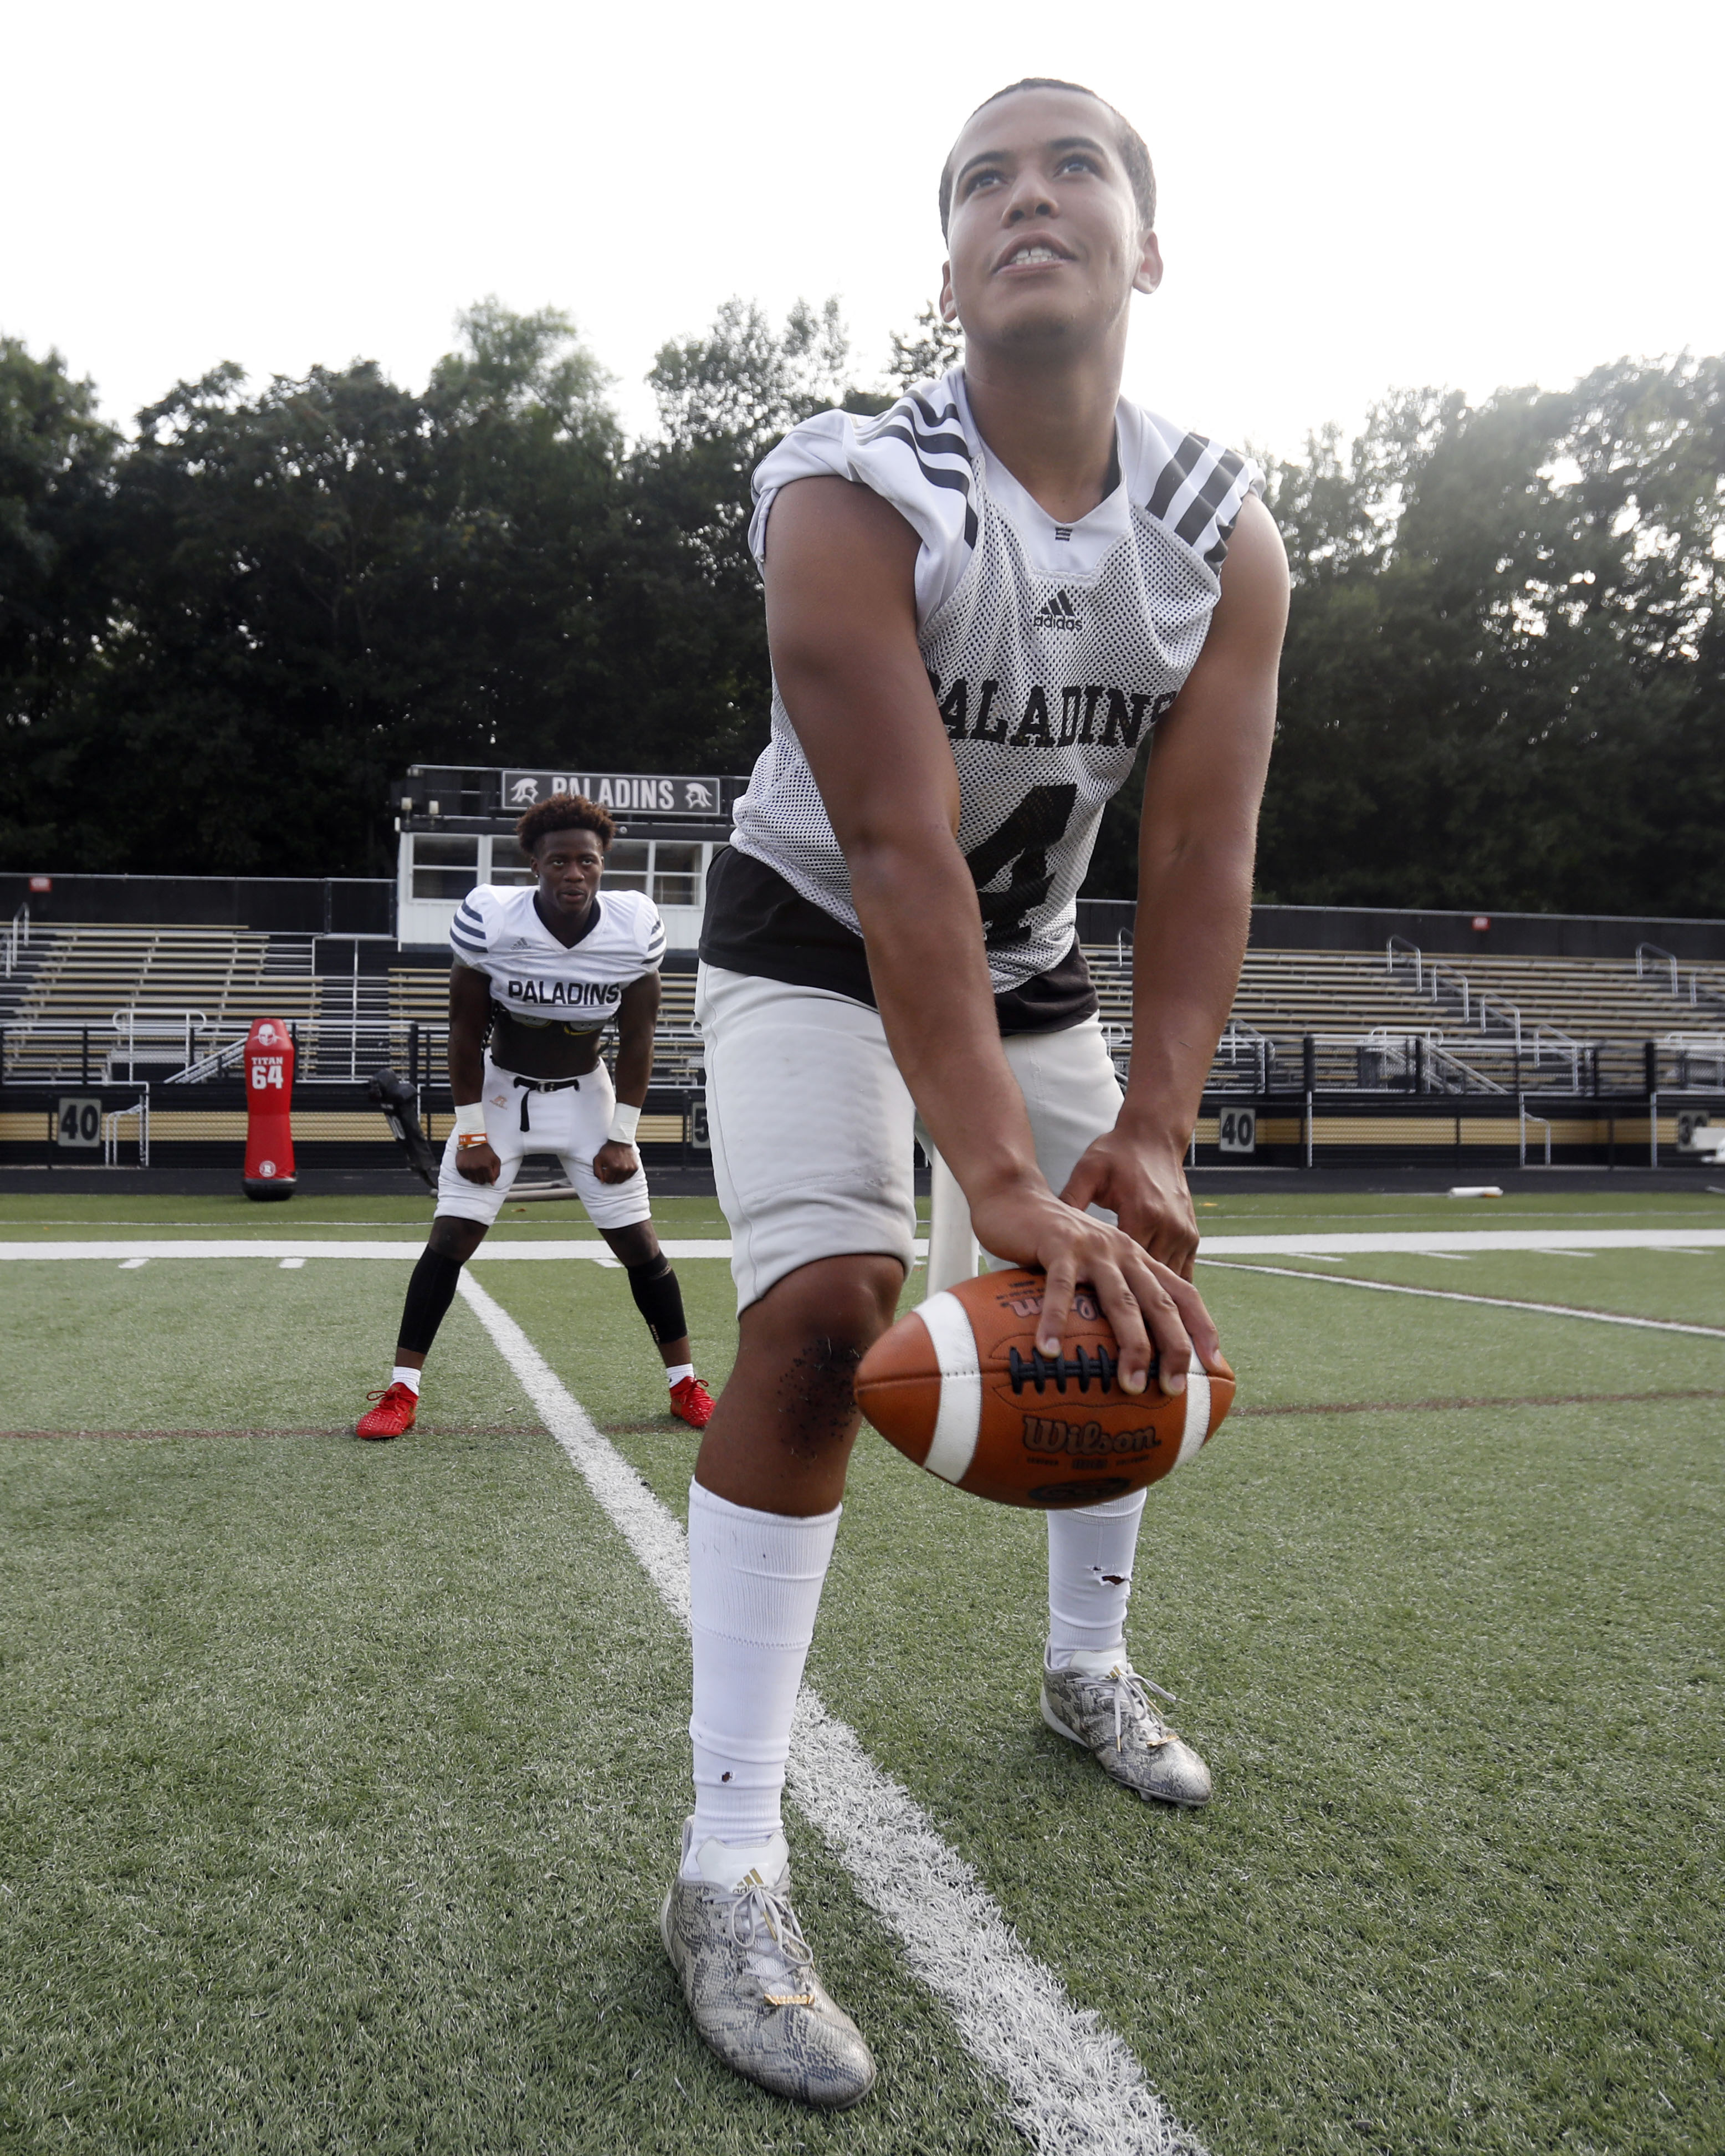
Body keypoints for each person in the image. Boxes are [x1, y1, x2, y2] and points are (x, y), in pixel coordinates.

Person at [658, 78, 1291, 2107]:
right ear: (948, 266)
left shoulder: (1223, 533)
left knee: (1123, 1274)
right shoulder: (848, 487)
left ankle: (1086, 1662)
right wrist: (1004, 1170)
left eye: (1073, 165)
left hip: (1027, 964)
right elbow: (898, 845)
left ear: (1147, 244)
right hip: (808, 931)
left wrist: (1150, 1134)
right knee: (823, 1314)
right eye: (982, 182)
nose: (1028, 197)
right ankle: (729, 1860)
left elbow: (1200, 856)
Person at [354, 794, 715, 1440]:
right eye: (559, 861)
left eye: (587, 861)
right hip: (499, 1095)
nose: (574, 873)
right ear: (534, 865)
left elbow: (639, 1040)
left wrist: (621, 1135)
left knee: (637, 1243)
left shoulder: (633, 929)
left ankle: (685, 1383)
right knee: (451, 1236)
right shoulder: (493, 921)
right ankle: (401, 1390)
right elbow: (462, 1035)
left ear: (603, 864)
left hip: (584, 1093)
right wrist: (469, 1132)